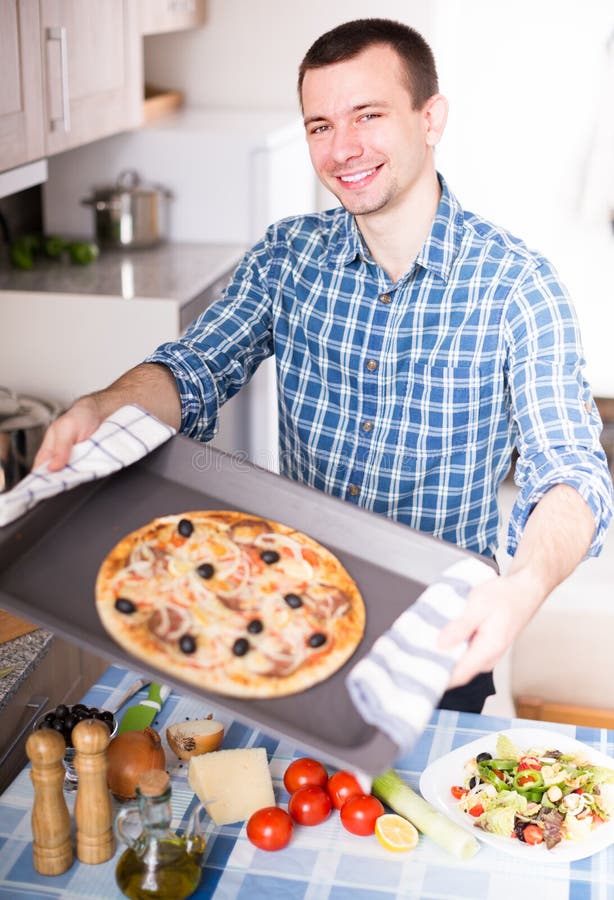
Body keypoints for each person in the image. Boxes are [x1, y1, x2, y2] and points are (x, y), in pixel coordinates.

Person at [35, 18, 613, 713]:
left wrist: (523, 585)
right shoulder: (287, 258)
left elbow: (571, 467)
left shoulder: (518, 286)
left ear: (431, 119)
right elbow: (191, 370)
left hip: (436, 638)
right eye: (319, 126)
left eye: (367, 115)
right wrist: (106, 405)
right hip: (292, 614)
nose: (342, 149)